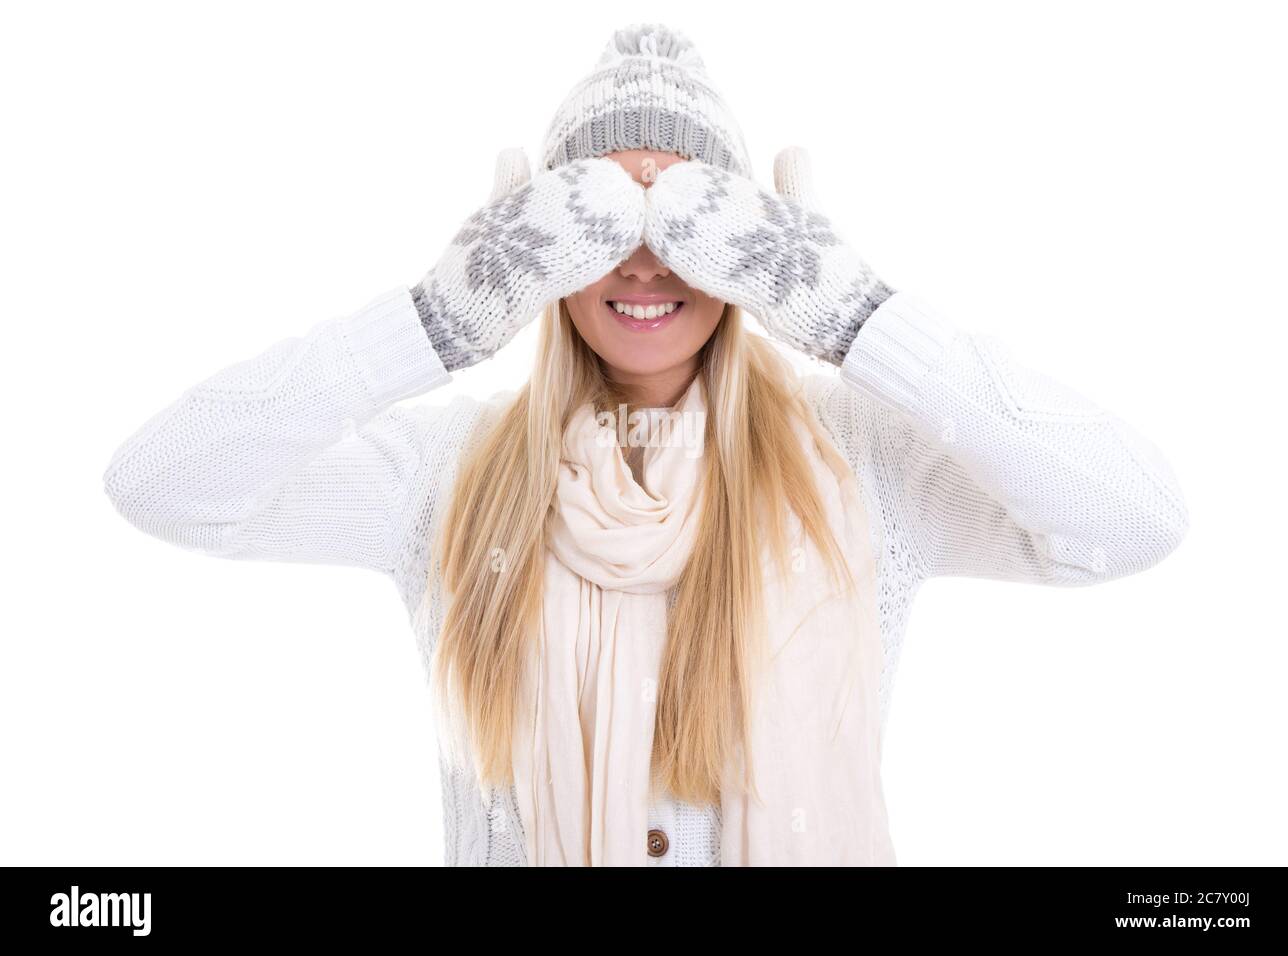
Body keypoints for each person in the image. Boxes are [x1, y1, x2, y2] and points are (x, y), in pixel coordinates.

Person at [101, 22, 1190, 867]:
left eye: (686, 220)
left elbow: (1130, 518)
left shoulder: (860, 463)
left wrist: (858, 316)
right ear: (533, 247)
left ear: (755, 249)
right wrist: (434, 320)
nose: (643, 259)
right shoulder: (448, 475)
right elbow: (165, 483)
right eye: (596, 218)